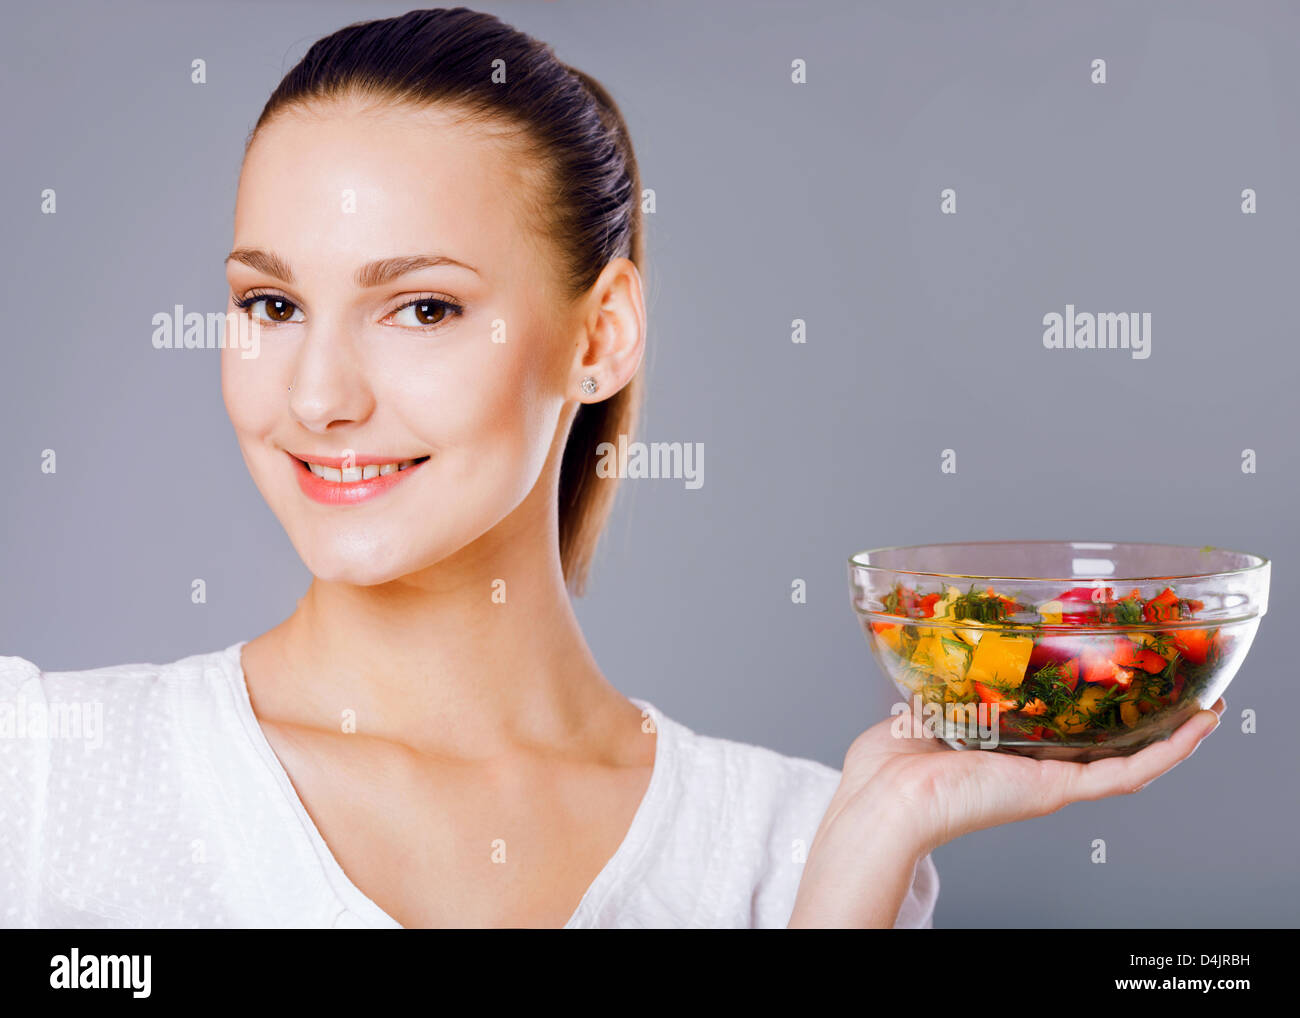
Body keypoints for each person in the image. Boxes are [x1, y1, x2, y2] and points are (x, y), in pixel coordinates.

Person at [0, 7, 1222, 929]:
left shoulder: (797, 847)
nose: (318, 396)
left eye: (420, 309)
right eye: (270, 302)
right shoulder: (42, 776)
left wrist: (855, 873)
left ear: (600, 335)